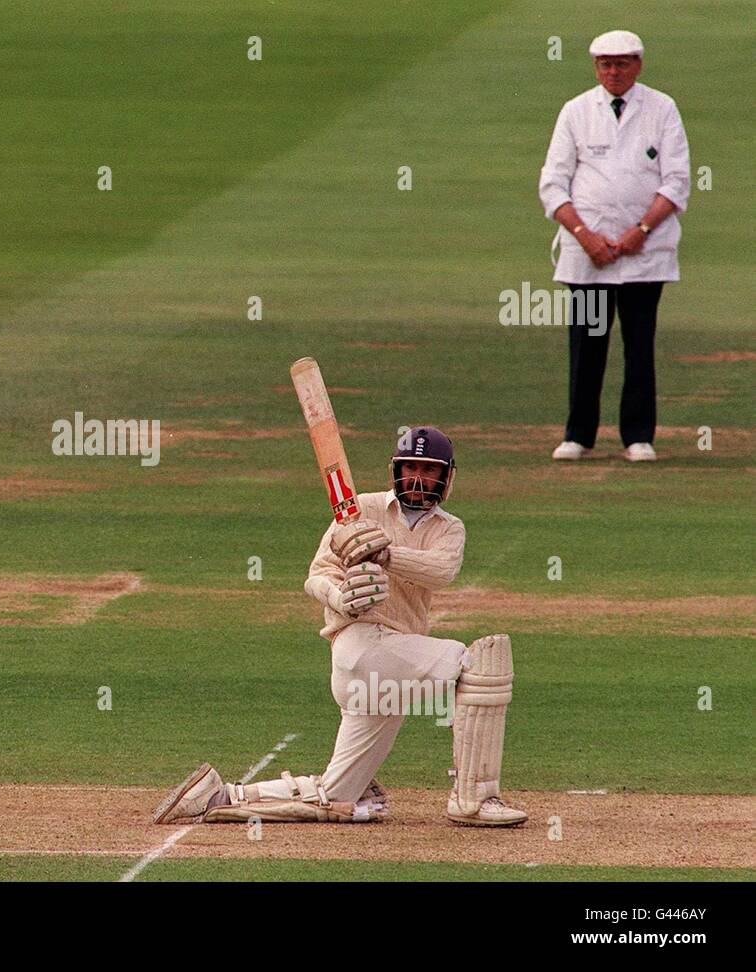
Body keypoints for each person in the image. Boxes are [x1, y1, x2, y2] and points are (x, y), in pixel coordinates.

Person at [153, 427, 527, 828]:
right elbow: (316, 575)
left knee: (339, 794)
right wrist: (340, 597)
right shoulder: (359, 510)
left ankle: (218, 795)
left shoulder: (449, 528)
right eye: (411, 467)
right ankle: (474, 799)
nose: (418, 478)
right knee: (476, 664)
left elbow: (442, 571)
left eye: (429, 470)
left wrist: (384, 554)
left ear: (447, 477)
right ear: (395, 471)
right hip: (361, 649)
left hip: (393, 666)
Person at [539, 29, 691, 462]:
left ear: (638, 64)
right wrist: (586, 236)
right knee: (588, 341)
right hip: (588, 256)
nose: (613, 71)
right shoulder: (576, 111)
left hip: (646, 255)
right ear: (595, 67)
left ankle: (638, 435)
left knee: (639, 343)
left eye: (622, 63)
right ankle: (579, 434)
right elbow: (552, 185)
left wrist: (637, 233)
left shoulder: (662, 108)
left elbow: (677, 181)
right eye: (605, 63)